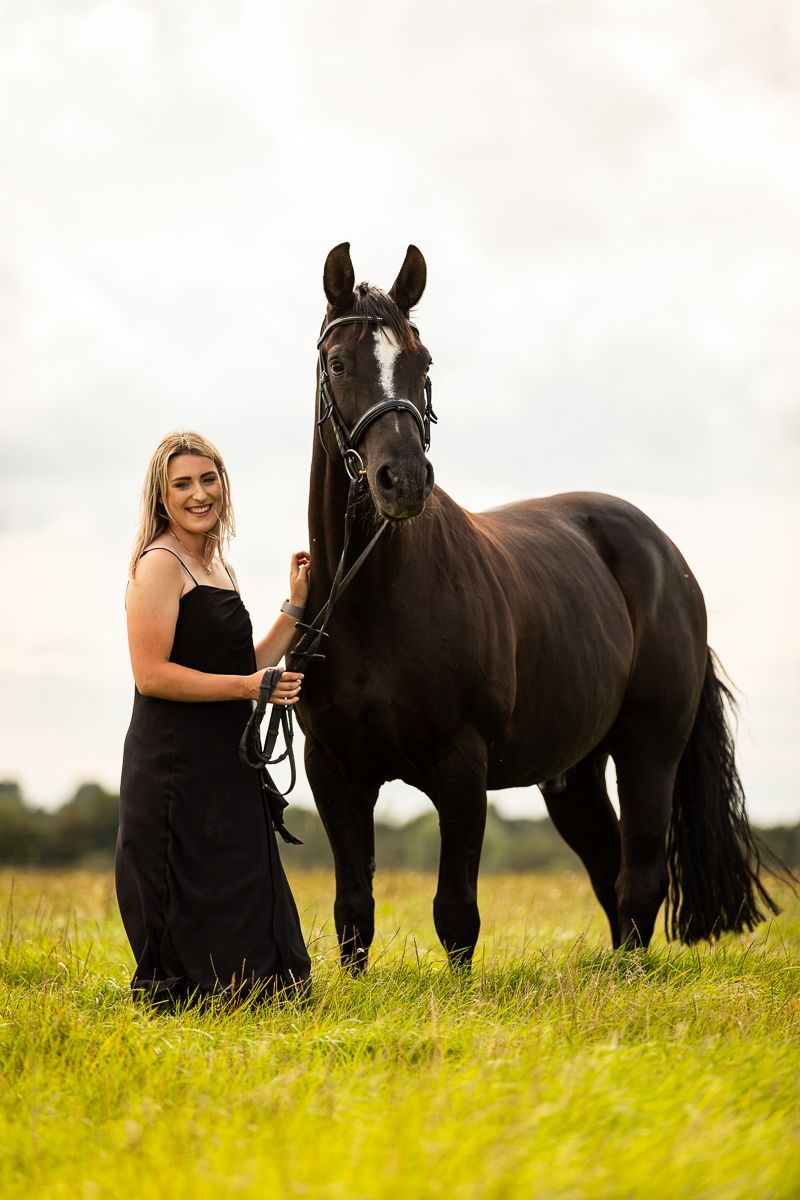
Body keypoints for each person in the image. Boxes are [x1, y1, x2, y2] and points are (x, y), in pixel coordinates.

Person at [115, 430, 312, 1005]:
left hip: (224, 760)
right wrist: (250, 688)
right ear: (161, 496)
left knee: (262, 959)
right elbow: (150, 674)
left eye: (208, 479)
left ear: (224, 485)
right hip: (174, 765)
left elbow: (240, 665)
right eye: (182, 484)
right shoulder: (159, 564)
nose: (198, 494)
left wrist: (295, 605)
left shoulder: (216, 564)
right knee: (190, 950)